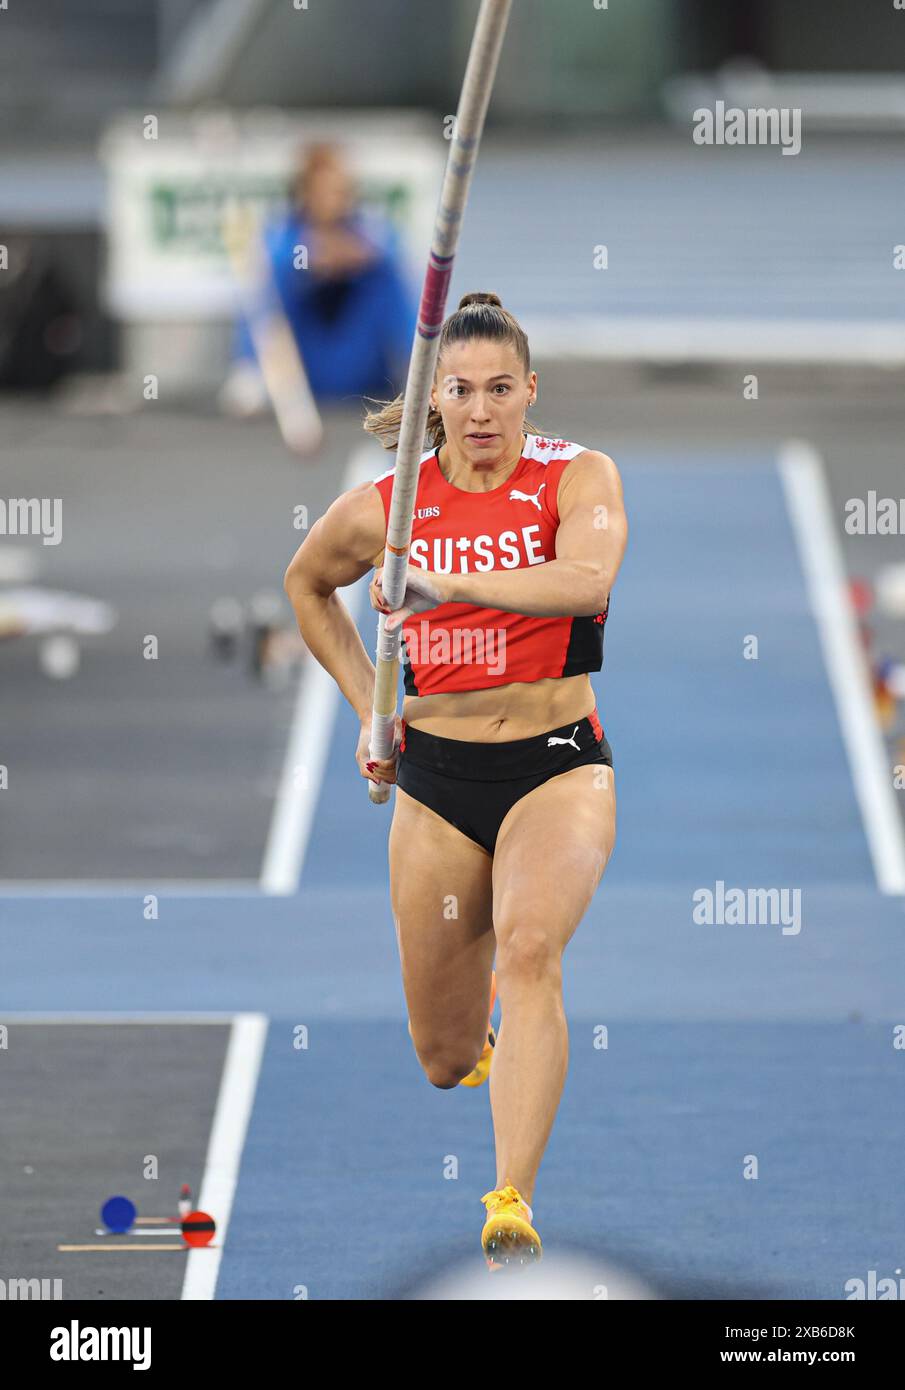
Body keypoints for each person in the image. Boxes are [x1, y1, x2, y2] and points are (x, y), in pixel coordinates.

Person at [283, 292, 628, 1268]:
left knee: (527, 949)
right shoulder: (389, 506)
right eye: (462, 391)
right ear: (435, 398)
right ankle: (475, 1046)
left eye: (499, 390)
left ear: (530, 393)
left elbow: (584, 583)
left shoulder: (575, 477)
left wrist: (446, 582)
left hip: (555, 768)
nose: (481, 412)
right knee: (441, 1057)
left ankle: (508, 1200)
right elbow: (305, 585)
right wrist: (367, 703)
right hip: (435, 780)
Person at [222, 142, 415, 409]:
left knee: (386, 274)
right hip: (303, 378)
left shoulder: (371, 232)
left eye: (341, 191)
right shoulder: (283, 237)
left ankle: (421, 370)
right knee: (270, 281)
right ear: (305, 193)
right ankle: (251, 374)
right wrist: (310, 266)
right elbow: (287, 259)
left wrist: (355, 260)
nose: (335, 201)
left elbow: (386, 250)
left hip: (367, 379)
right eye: (325, 192)